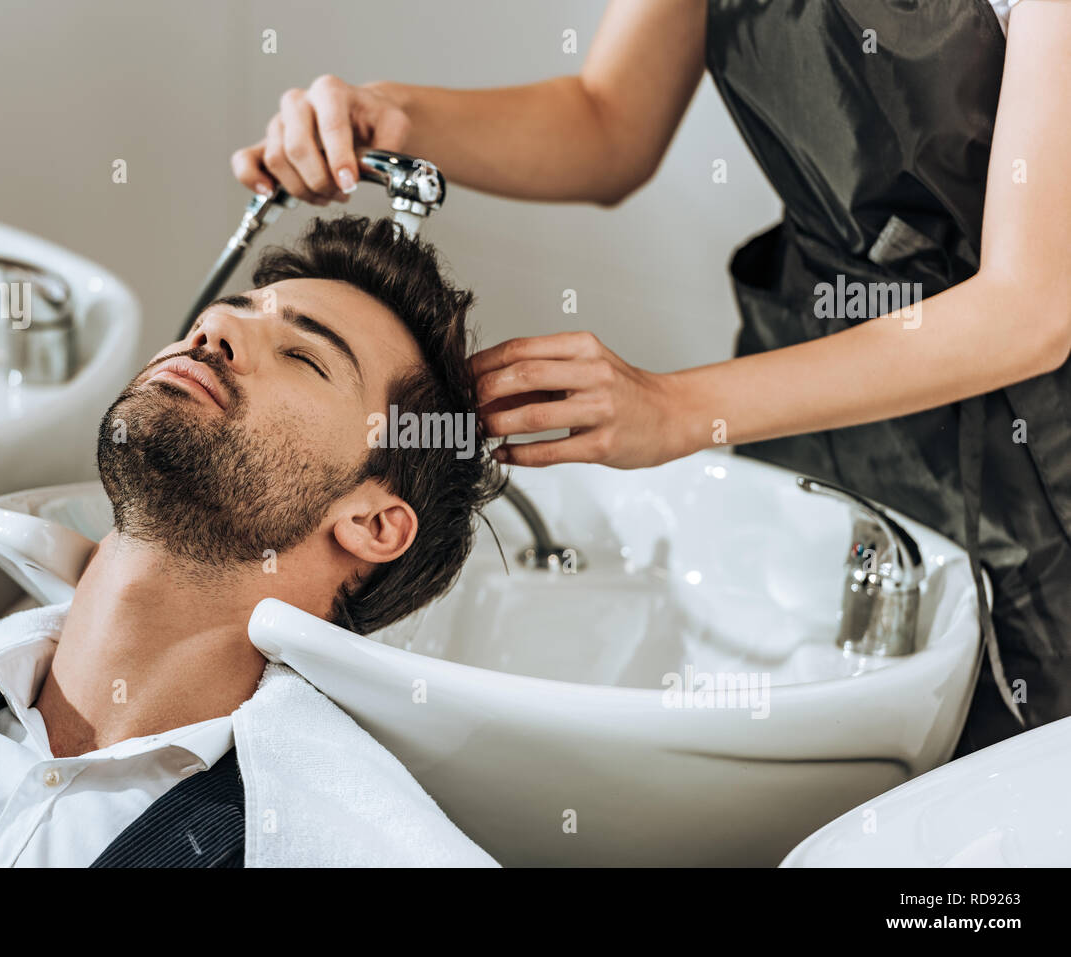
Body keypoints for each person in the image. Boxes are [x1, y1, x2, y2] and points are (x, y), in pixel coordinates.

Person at [231, 0, 1071, 756]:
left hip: (1029, 453)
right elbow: (608, 124)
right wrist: (397, 115)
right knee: (809, 737)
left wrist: (677, 409)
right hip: (802, 392)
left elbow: (1028, 309)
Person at [0, 215, 504, 868]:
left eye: (304, 356)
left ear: (372, 523)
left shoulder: (315, 839)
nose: (215, 329)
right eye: (230, 312)